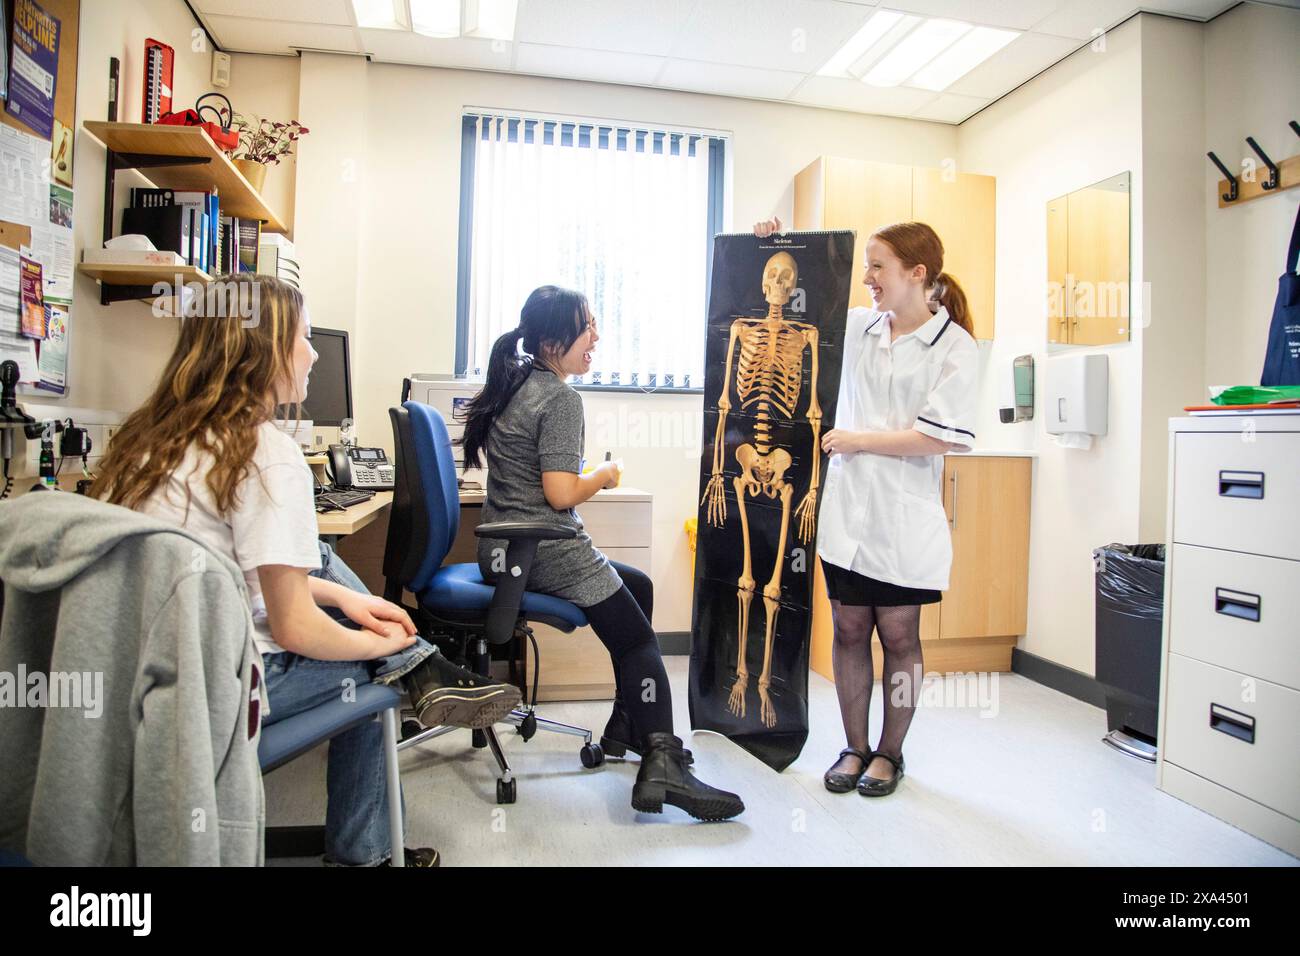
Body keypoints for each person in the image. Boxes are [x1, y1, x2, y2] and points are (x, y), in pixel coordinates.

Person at [93, 274, 523, 865]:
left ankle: (420, 667)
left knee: (322, 565)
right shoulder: (263, 451)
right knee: (373, 669)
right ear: (262, 350)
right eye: (301, 337)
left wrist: (349, 604)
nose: (313, 352)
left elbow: (243, 572)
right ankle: (366, 851)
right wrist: (375, 640)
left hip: (138, 678)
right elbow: (295, 629)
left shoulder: (143, 442)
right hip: (217, 692)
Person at [459, 285, 745, 821]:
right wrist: (605, 475)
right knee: (639, 640)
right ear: (551, 341)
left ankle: (624, 724)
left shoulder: (515, 382)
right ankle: (665, 761)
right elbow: (561, 494)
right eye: (586, 326)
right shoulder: (560, 397)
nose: (596, 336)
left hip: (502, 547)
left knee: (637, 585)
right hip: (543, 547)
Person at [754, 217, 978, 797]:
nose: (869, 279)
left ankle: (890, 753)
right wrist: (774, 240)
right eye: (868, 267)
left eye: (878, 266)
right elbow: (791, 305)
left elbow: (938, 437)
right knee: (851, 630)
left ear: (916, 273)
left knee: (900, 637)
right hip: (848, 513)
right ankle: (854, 747)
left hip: (904, 521)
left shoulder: (955, 346)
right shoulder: (859, 327)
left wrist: (856, 439)